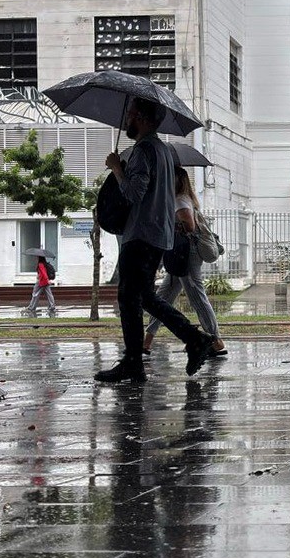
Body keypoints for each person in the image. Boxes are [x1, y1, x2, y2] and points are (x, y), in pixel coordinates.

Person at [97, 98, 217, 382]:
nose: (127, 120)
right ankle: (136, 362)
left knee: (131, 297)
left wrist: (116, 166)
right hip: (157, 234)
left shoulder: (143, 150)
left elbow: (134, 194)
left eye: (131, 115)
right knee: (141, 297)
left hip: (140, 234)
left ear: (143, 118)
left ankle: (191, 339)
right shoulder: (163, 151)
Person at [146, 166, 227, 357]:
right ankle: (147, 340)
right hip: (179, 253)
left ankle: (215, 340)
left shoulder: (180, 200)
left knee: (197, 297)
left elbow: (189, 226)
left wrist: (168, 226)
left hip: (186, 253)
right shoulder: (180, 199)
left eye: (169, 178)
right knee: (163, 296)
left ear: (177, 181)